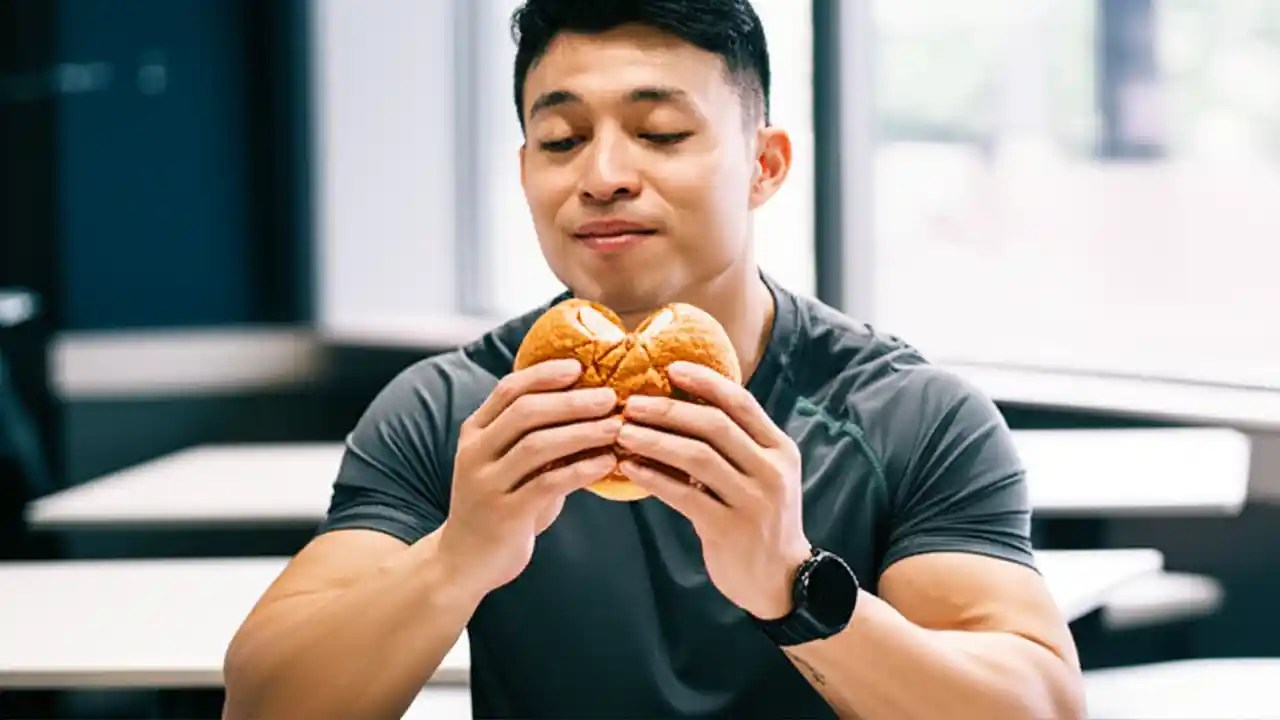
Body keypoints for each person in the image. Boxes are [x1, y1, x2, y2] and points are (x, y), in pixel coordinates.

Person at [222, 1, 1085, 717]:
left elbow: (1036, 705)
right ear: (526, 172)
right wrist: (460, 555)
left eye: (662, 132)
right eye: (560, 141)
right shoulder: (453, 410)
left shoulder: (907, 416)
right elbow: (263, 703)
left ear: (764, 164)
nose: (602, 175)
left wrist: (793, 585)